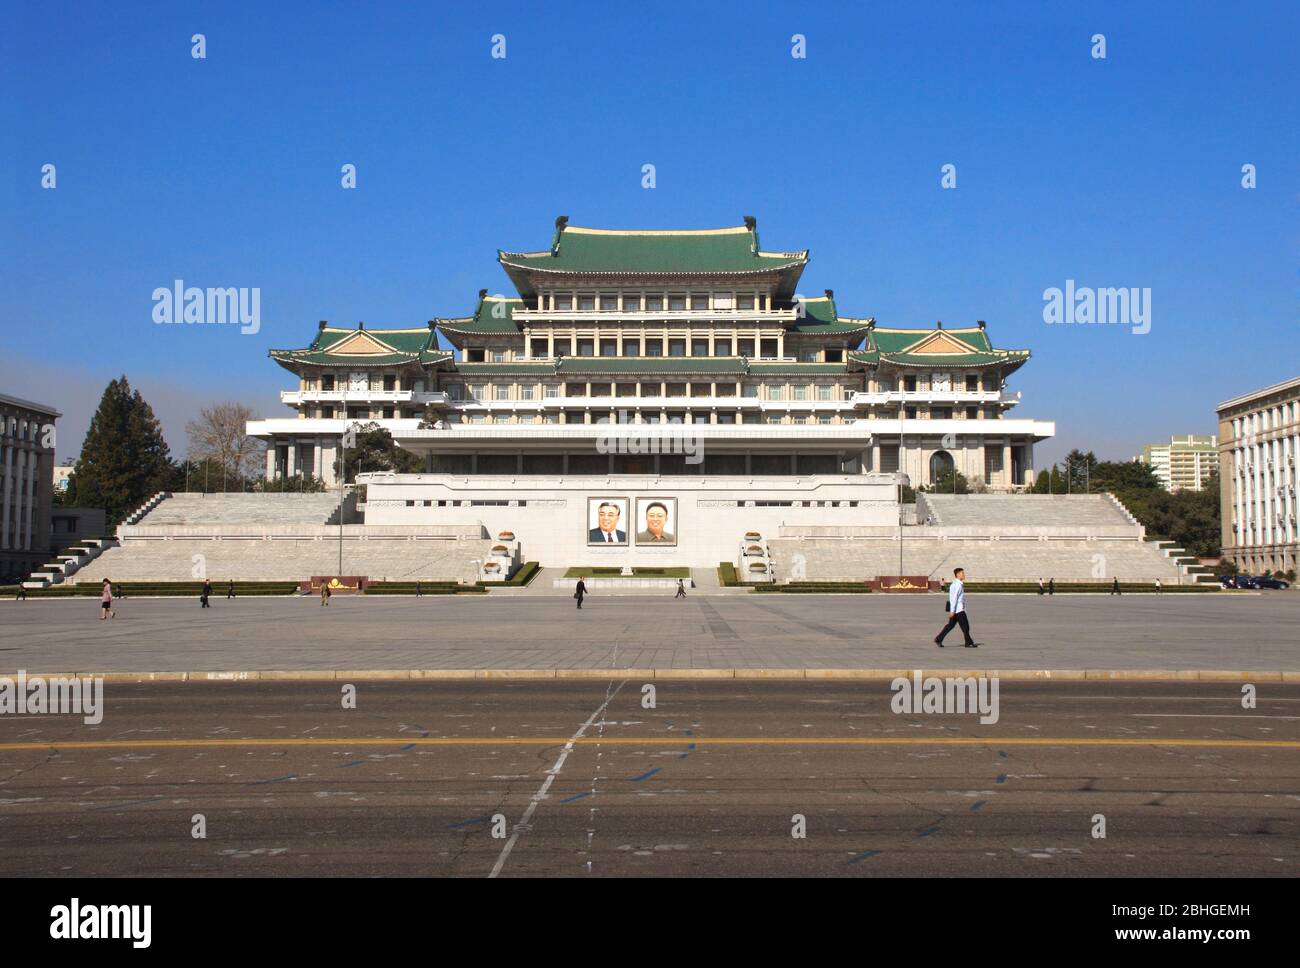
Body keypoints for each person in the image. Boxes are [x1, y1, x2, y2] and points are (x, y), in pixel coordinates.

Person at [934, 567, 976, 648]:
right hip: (959, 610)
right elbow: (954, 598)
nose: (964, 574)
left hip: (956, 609)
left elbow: (951, 598)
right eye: (962, 573)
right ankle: (968, 643)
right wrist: (952, 611)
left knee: (950, 626)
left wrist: (952, 610)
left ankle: (938, 639)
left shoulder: (954, 584)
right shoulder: (958, 585)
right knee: (965, 626)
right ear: (957, 574)